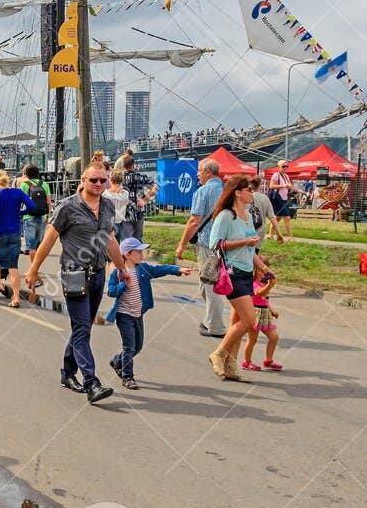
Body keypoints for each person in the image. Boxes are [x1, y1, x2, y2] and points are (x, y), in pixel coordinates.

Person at [23, 161, 135, 406]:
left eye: (102, 180)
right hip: (74, 274)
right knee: (83, 328)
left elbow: (111, 241)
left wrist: (123, 269)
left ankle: (66, 373)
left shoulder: (107, 206)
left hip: (97, 274)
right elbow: (49, 240)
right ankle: (91, 383)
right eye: (93, 180)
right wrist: (33, 270)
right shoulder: (67, 208)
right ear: (82, 180)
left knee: (82, 328)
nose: (98, 184)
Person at [103, 237, 188, 389]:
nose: (142, 254)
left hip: (138, 314)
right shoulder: (117, 273)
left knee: (138, 347)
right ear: (127, 254)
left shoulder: (143, 269)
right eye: (139, 252)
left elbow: (160, 269)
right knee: (129, 347)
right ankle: (127, 377)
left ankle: (117, 361)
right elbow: (111, 292)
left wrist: (178, 270)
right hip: (124, 314)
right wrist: (123, 285)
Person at [205, 175, 265, 383]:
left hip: (247, 272)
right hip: (232, 273)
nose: (251, 193)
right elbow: (215, 244)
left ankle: (231, 364)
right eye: (248, 190)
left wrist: (263, 267)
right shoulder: (226, 216)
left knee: (238, 321)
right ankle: (219, 354)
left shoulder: (247, 214)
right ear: (238, 193)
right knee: (249, 320)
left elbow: (251, 246)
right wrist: (244, 242)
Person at [174, 159, 226, 337]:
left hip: (208, 244)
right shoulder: (229, 190)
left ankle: (216, 326)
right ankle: (209, 320)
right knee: (210, 283)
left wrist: (181, 244)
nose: (197, 174)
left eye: (199, 171)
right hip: (229, 243)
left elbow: (194, 221)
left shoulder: (203, 192)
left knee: (210, 284)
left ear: (208, 173)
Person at [0, 170, 32, 306]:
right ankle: (16, 298)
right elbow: (32, 206)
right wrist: (21, 212)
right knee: (13, 266)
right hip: (14, 233)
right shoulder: (18, 193)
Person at [240, 268, 282, 372]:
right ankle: (247, 362)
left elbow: (265, 299)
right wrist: (270, 285)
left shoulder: (263, 283)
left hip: (264, 312)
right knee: (252, 340)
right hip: (255, 312)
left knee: (274, 337)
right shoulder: (253, 283)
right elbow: (259, 293)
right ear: (257, 271)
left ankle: (268, 361)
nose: (266, 274)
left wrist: (271, 311)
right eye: (264, 271)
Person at [119, 155, 156, 241]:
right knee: (138, 238)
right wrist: (145, 199)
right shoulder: (141, 176)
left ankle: (126, 254)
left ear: (123, 166)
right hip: (139, 210)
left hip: (125, 211)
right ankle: (138, 253)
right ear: (134, 165)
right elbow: (155, 187)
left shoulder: (120, 178)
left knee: (126, 240)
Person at [18, 163, 50, 256]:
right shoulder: (44, 184)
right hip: (42, 215)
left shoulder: (24, 185)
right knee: (40, 242)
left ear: (27, 174)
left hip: (28, 215)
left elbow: (21, 201)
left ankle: (32, 261)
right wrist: (48, 215)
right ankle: (37, 259)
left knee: (31, 243)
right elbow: (48, 202)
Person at [268, 162, 295, 241]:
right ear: (279, 167)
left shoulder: (286, 176)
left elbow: (289, 186)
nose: (285, 168)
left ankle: (270, 235)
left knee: (277, 218)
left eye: (287, 166)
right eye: (283, 166)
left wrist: (300, 191)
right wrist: (283, 186)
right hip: (278, 198)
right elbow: (271, 186)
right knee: (287, 217)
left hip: (284, 198)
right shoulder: (276, 175)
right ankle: (290, 237)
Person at [104, 169, 131, 241]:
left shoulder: (105, 194)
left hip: (108, 222)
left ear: (110, 179)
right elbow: (126, 203)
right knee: (118, 244)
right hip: (120, 221)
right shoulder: (125, 194)